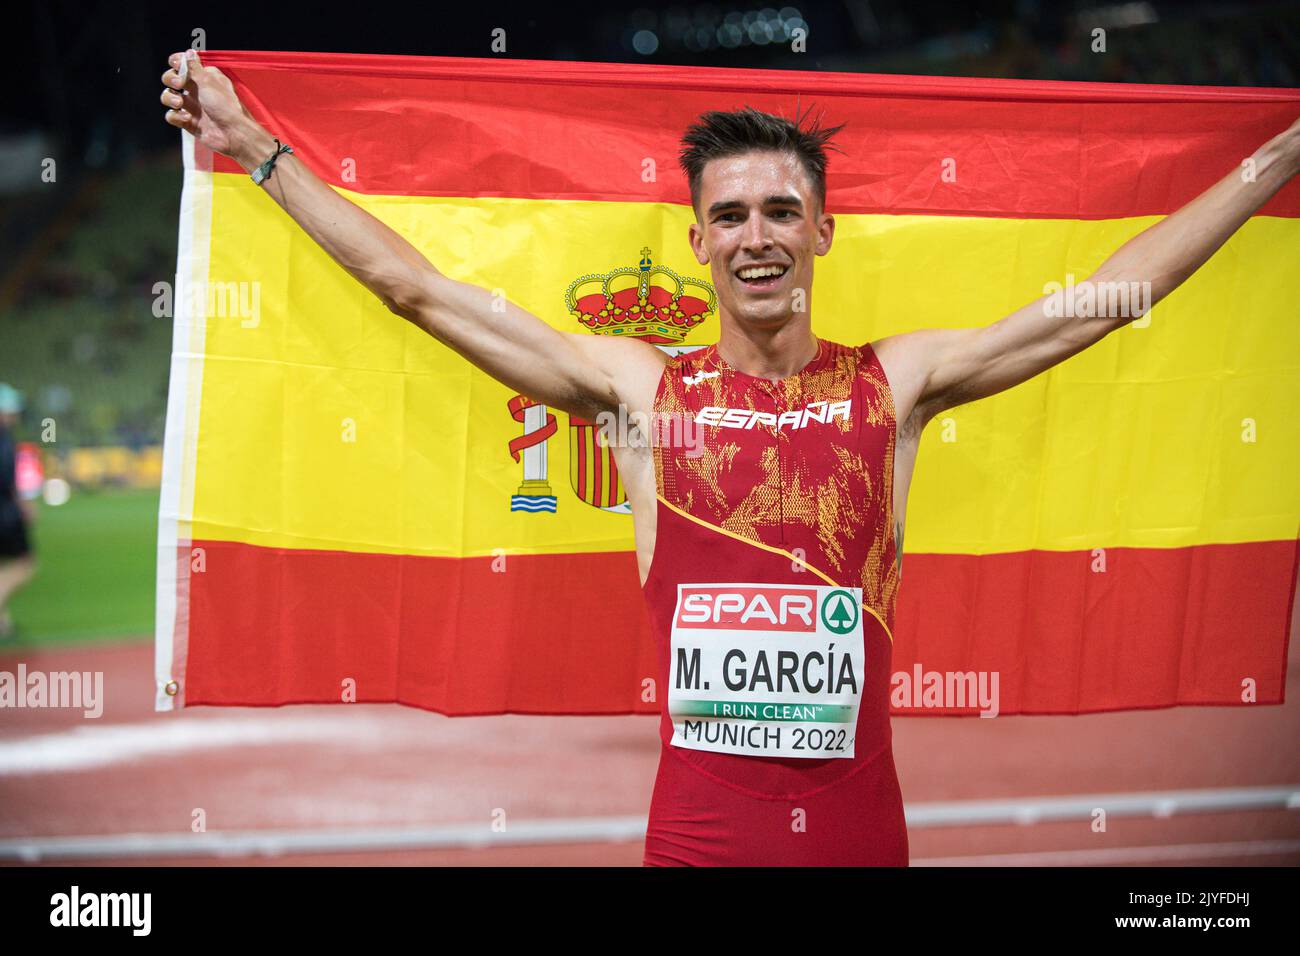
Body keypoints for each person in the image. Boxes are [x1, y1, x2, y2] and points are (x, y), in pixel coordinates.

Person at [159, 50, 1300, 865]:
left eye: (780, 210)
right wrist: (255, 148)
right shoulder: (640, 391)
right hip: (698, 837)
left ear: (821, 230)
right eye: (732, 215)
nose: (757, 235)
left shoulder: (892, 385)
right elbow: (414, 289)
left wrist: (1281, 155)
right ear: (698, 240)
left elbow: (1107, 301)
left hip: (860, 830)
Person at [0, 383, 35, 641]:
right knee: (25, 564)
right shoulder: (4, 440)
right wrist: (23, 504)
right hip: (6, 513)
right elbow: (6, 478)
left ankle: (4, 623)